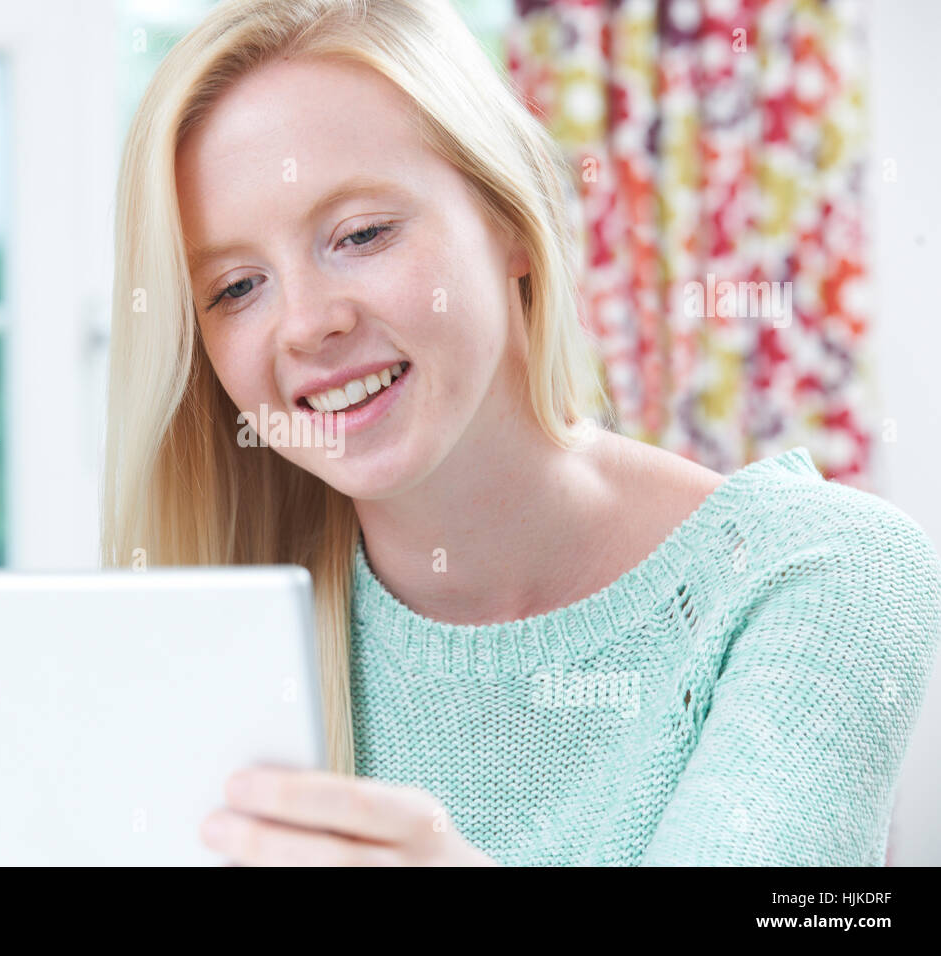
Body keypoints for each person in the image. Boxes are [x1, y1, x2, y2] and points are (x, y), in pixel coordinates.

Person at [101, 0, 941, 865]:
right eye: (237, 288)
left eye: (362, 234)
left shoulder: (821, 576)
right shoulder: (215, 644)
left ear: (511, 222)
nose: (307, 324)